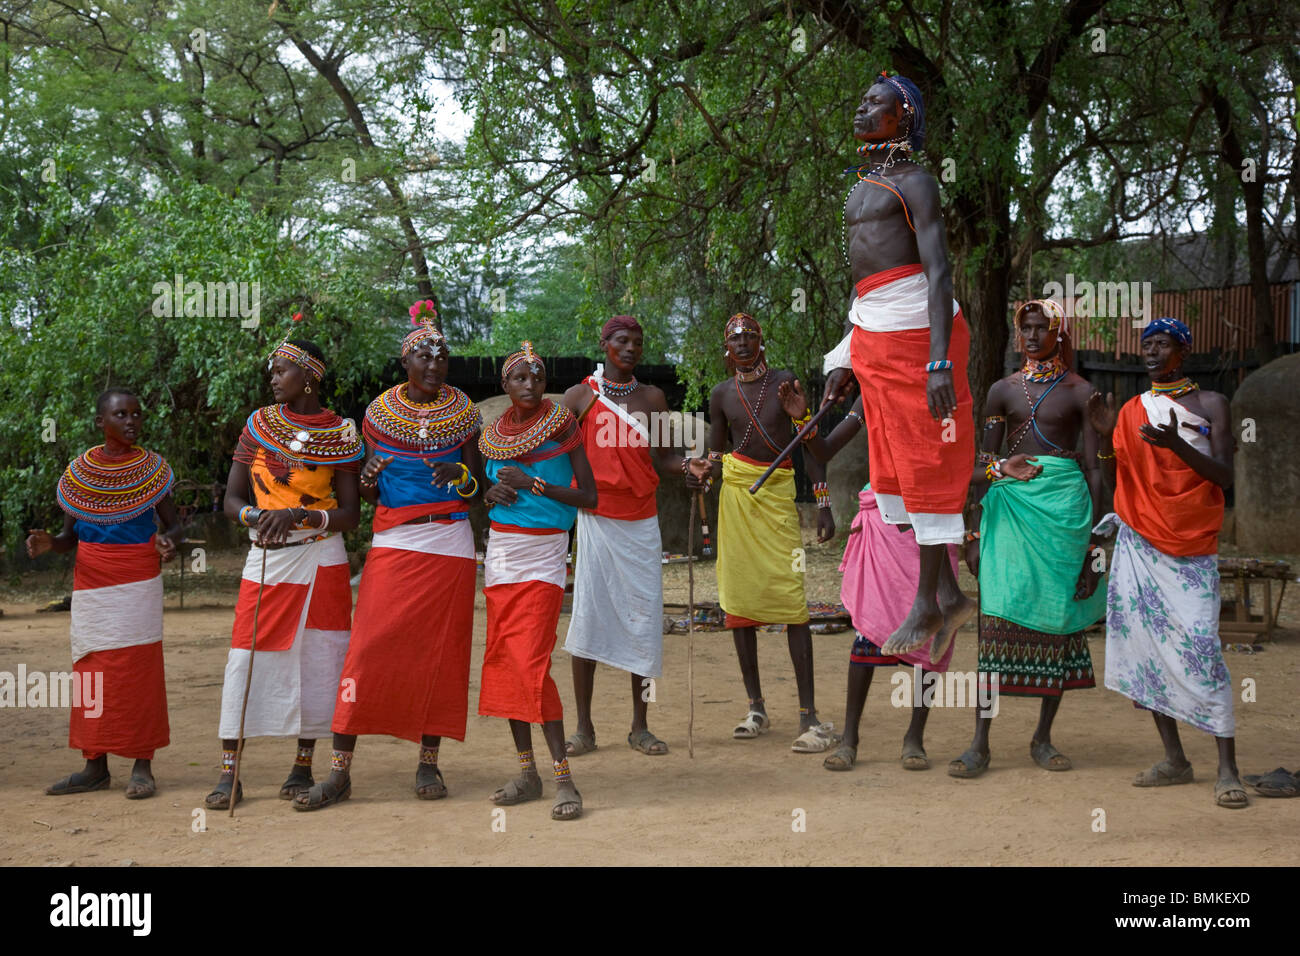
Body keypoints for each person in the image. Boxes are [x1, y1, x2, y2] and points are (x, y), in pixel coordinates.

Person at [295, 302, 483, 810]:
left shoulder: (464, 412)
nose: (434, 365)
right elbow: (368, 492)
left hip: (449, 541)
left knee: (439, 652)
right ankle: (340, 772)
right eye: (424, 356)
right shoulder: (377, 416)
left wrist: (459, 478)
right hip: (396, 541)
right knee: (368, 648)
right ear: (406, 361)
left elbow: (475, 488)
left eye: (441, 358)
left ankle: (428, 761)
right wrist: (370, 478)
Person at [821, 71, 976, 657]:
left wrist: (939, 362)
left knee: (927, 464)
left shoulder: (917, 182)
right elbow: (867, 288)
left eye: (875, 103)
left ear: (903, 117)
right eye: (861, 98)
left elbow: (938, 272)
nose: (861, 109)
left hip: (919, 339)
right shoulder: (865, 184)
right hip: (878, 339)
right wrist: (845, 357)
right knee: (896, 469)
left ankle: (925, 605)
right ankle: (953, 597)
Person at [1089, 317, 1246, 809]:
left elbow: (1223, 478)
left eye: (1163, 344)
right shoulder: (1134, 410)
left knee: (1202, 650)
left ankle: (1228, 768)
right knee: (1147, 650)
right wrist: (1102, 435)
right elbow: (1120, 480)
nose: (1152, 352)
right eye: (1147, 345)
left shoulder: (1212, 404)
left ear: (1184, 352)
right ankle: (1175, 759)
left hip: (1192, 547)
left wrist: (1177, 443)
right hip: (1139, 544)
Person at [947, 300, 1107, 779]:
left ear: (1059, 333)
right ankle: (980, 743)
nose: (1034, 336)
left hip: (1064, 518)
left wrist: (1094, 546)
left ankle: (1043, 737)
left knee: (1056, 626)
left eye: (1043, 328)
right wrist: (972, 533)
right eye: (1027, 328)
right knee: (995, 620)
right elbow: (982, 464)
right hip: (1009, 514)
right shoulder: (1001, 391)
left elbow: (1096, 471)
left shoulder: (1083, 393)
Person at [207, 329, 363, 810]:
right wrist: (257, 517)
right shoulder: (257, 426)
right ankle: (229, 773)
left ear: (309, 377)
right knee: (246, 658)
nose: (273, 379)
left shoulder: (340, 434)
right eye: (272, 371)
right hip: (267, 556)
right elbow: (232, 500)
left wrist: (298, 516)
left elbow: (351, 516)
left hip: (320, 554)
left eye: (282, 370)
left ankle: (304, 765)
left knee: (320, 656)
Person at [686, 313, 836, 752]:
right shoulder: (720, 395)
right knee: (738, 601)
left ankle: (809, 716)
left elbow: (814, 447)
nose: (743, 343)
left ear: (762, 343)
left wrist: (823, 504)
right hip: (737, 500)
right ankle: (756, 707)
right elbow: (717, 455)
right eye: (735, 338)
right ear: (726, 350)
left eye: (750, 336)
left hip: (776, 502)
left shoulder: (785, 383)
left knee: (791, 600)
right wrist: (700, 474)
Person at [27, 389, 182, 799]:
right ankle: (94, 765)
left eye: (136, 414)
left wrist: (169, 540)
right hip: (92, 581)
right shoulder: (79, 473)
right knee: (91, 668)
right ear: (101, 422)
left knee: (137, 668)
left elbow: (175, 525)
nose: (131, 421)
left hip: (137, 579)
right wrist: (50, 544)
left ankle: (141, 764)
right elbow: (68, 537)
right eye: (120, 414)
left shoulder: (153, 471)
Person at [800, 398, 960, 772]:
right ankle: (850, 740)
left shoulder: (941, 387)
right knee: (868, 633)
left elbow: (955, 453)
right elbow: (823, 448)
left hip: (930, 515)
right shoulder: (871, 390)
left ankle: (914, 738)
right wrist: (803, 419)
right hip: (884, 517)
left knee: (932, 631)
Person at [562, 315, 691, 758]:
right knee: (588, 619)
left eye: (637, 341)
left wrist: (691, 468)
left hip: (641, 524)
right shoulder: (579, 397)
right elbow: (557, 457)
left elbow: (666, 460)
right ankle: (583, 728)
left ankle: (640, 726)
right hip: (597, 520)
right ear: (604, 344)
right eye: (622, 341)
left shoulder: (652, 398)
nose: (631, 348)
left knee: (643, 621)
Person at [479, 342, 597, 821]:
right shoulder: (493, 436)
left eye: (537, 377)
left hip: (546, 553)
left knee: (531, 659)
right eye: (520, 378)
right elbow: (484, 491)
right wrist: (493, 491)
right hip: (502, 553)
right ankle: (527, 773)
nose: (530, 386)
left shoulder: (562, 425)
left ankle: (563, 777)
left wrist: (534, 485)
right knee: (506, 660)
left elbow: (587, 495)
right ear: (505, 386)